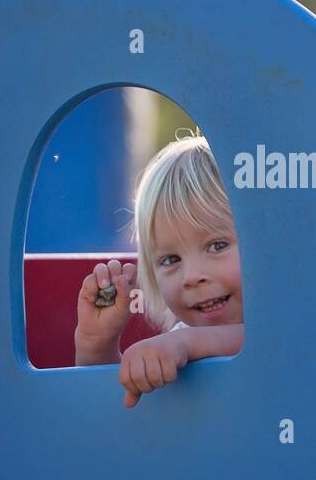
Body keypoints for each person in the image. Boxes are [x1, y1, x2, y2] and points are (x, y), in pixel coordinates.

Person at [74, 133, 244, 407]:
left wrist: (187, 343)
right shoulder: (174, 345)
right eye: (170, 259)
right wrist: (97, 345)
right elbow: (114, 419)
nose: (191, 277)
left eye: (217, 245)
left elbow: (271, 341)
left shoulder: (296, 319)